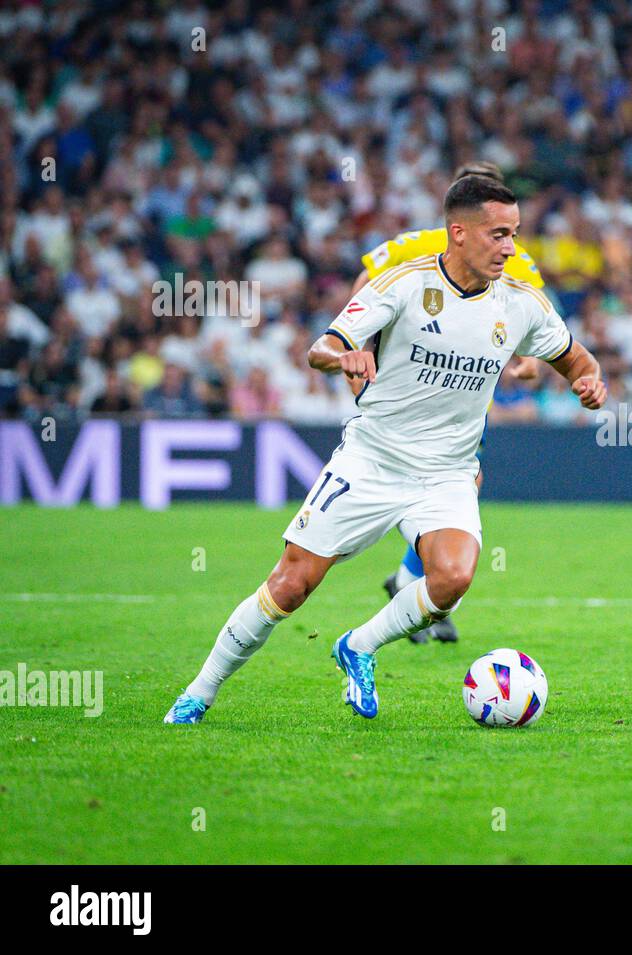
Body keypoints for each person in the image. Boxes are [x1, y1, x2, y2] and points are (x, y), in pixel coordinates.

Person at [164, 176, 606, 724]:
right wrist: (342, 357)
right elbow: (321, 347)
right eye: (498, 235)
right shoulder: (401, 284)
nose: (511, 248)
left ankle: (359, 646)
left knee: (453, 578)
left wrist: (589, 383)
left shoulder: (522, 304)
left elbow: (577, 360)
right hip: (373, 460)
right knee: (291, 585)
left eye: (514, 235)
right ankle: (200, 692)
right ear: (459, 232)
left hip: (446, 472)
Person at [350, 161, 546, 643]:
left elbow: (532, 322)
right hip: (403, 392)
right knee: (449, 481)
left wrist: (527, 361)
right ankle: (412, 584)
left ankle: (409, 580)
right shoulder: (417, 245)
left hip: (462, 400)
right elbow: (364, 287)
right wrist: (361, 345)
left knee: (461, 483)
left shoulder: (515, 257)